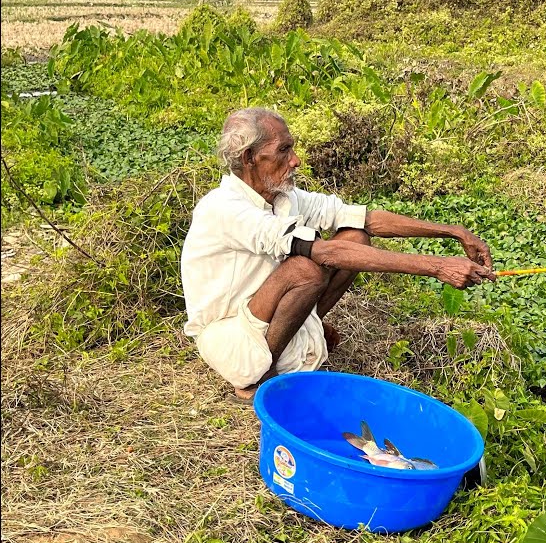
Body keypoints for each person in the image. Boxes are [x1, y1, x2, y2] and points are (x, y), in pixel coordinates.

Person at [180, 107, 496, 404]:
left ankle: (303, 328)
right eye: (284, 150)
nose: (295, 160)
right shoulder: (224, 208)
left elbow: (366, 219)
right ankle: (257, 378)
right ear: (249, 157)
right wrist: (438, 267)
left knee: (356, 235)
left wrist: (454, 231)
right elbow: (326, 253)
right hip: (228, 331)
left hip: (263, 311)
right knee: (306, 269)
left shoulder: (281, 197)